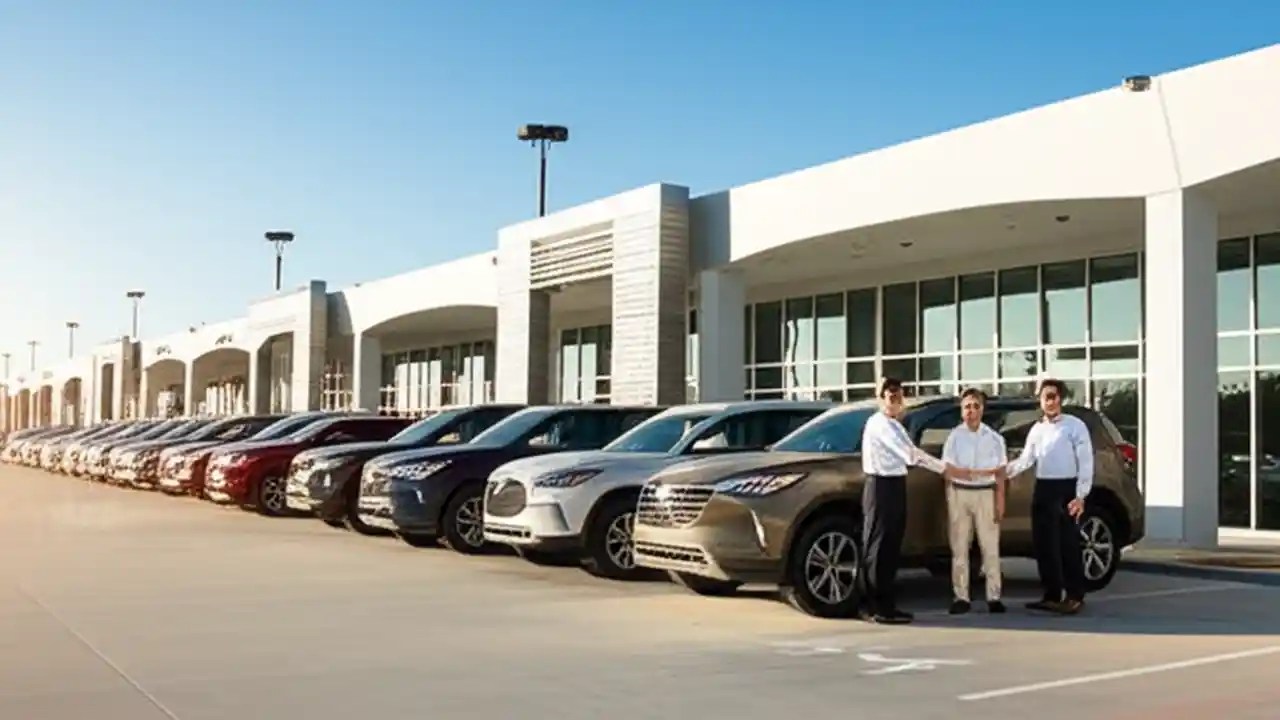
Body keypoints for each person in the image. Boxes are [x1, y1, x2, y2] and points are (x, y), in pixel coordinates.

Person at [859, 376, 946, 624]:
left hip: (895, 485)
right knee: (880, 546)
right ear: (881, 399)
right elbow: (909, 455)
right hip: (881, 486)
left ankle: (886, 604)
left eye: (898, 397)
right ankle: (877, 607)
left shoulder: (895, 424)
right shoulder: (880, 424)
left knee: (891, 545)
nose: (895, 401)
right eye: (890, 396)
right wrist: (944, 468)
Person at [1004, 378, 1094, 615]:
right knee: (1044, 544)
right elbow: (1027, 459)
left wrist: (1081, 495)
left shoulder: (1075, 426)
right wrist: (1003, 472)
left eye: (1054, 396)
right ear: (1040, 400)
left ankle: (1075, 595)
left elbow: (1086, 461)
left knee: (1068, 544)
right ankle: (1051, 594)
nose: (1051, 401)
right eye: (1046, 397)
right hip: (1044, 488)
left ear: (1060, 399)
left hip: (1067, 489)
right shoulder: (1037, 429)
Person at [941, 388, 1008, 615]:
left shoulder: (994, 439)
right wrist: (965, 478)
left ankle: (994, 595)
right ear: (962, 411)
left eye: (975, 406)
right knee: (960, 547)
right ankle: (961, 596)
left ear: (982, 409)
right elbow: (948, 471)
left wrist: (1000, 502)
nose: (971, 411)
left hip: (985, 494)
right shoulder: (954, 438)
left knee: (990, 546)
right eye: (967, 407)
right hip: (960, 494)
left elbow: (1000, 474)